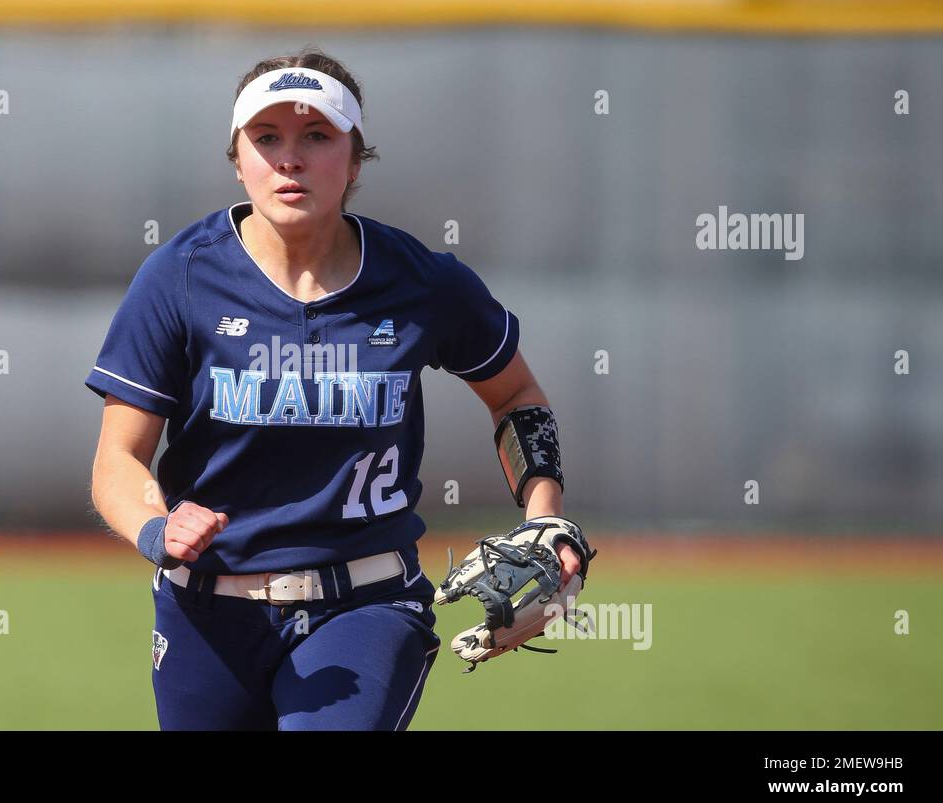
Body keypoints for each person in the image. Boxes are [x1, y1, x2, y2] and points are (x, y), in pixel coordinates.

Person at [87, 48, 582, 730]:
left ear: (354, 161)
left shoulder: (419, 282)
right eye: (267, 138)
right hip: (206, 610)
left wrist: (542, 517)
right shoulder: (181, 277)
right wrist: (155, 524)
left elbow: (517, 393)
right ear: (237, 158)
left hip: (366, 604)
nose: (289, 159)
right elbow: (118, 458)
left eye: (316, 136)